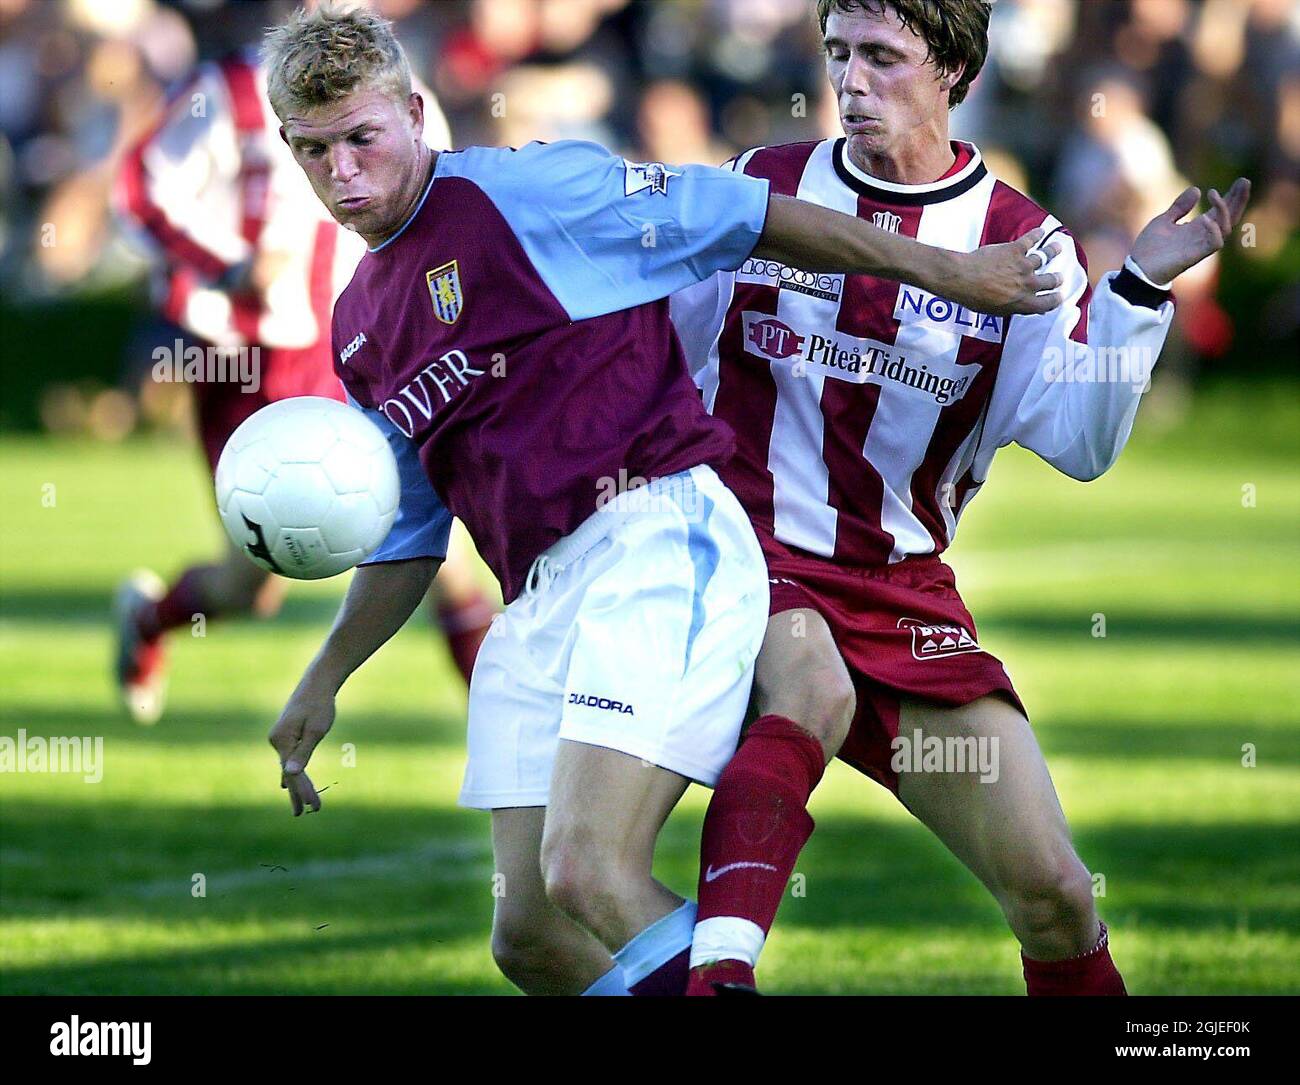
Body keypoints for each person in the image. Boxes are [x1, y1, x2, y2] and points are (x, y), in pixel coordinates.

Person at [260, 2, 1060, 997]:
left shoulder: (534, 191)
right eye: (313, 151)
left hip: (652, 534)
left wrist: (956, 271)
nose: (342, 175)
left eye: (361, 140)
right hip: (539, 595)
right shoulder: (359, 325)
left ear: (415, 113)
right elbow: (412, 535)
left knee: (587, 867)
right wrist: (325, 675)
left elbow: (748, 216)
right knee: (531, 936)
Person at [664, 0, 1250, 995]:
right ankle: (719, 973)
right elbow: (662, 365)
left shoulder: (1023, 244)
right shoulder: (759, 190)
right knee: (805, 681)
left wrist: (1139, 291)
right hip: (747, 559)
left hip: (898, 600)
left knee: (1056, 894)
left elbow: (1076, 441)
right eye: (838, 53)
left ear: (954, 74)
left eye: (881, 57)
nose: (849, 80)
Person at [111, 46, 493, 724]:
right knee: (250, 584)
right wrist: (228, 266)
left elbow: (438, 215)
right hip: (252, 363)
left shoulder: (406, 92)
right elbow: (140, 186)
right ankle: (151, 618)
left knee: (442, 551)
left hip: (370, 352)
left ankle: (515, 740)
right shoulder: (229, 88)